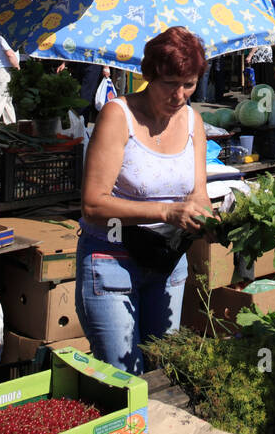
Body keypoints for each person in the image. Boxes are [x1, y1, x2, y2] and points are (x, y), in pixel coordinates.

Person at [76, 26, 211, 374]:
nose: (179, 94)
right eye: (170, 83)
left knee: (163, 371)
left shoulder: (195, 122)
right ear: (149, 75)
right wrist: (166, 211)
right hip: (112, 261)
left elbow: (199, 194)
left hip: (168, 263)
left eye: (189, 83)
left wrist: (210, 216)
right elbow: (93, 205)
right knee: (124, 377)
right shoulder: (117, 116)